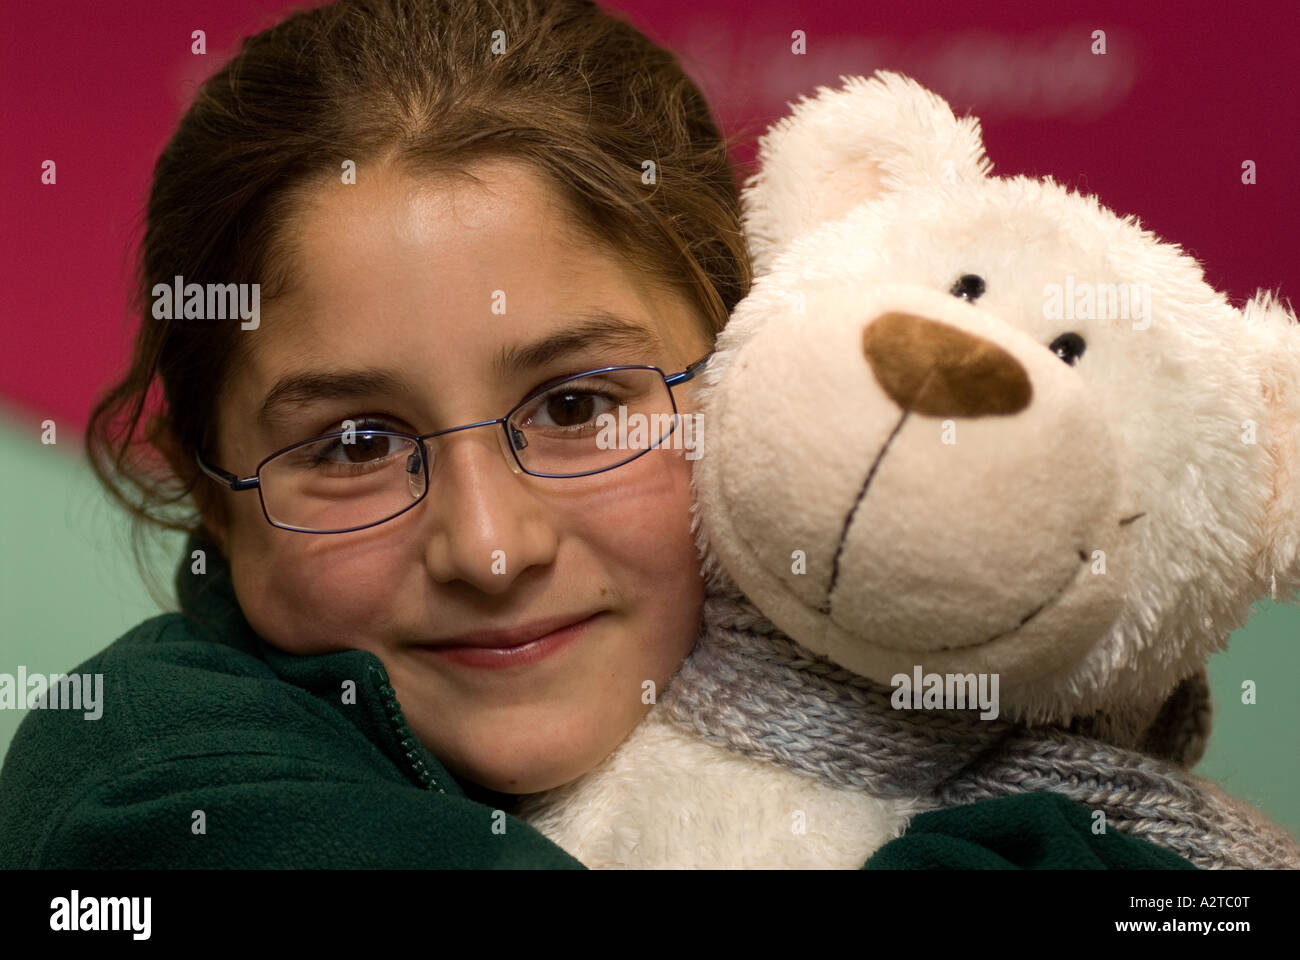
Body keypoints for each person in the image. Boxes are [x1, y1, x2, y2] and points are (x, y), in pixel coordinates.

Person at [0, 0, 1192, 869]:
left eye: (575, 408)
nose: (489, 548)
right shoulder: (146, 791)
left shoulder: (923, 700)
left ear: (749, 373)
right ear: (213, 495)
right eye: (356, 445)